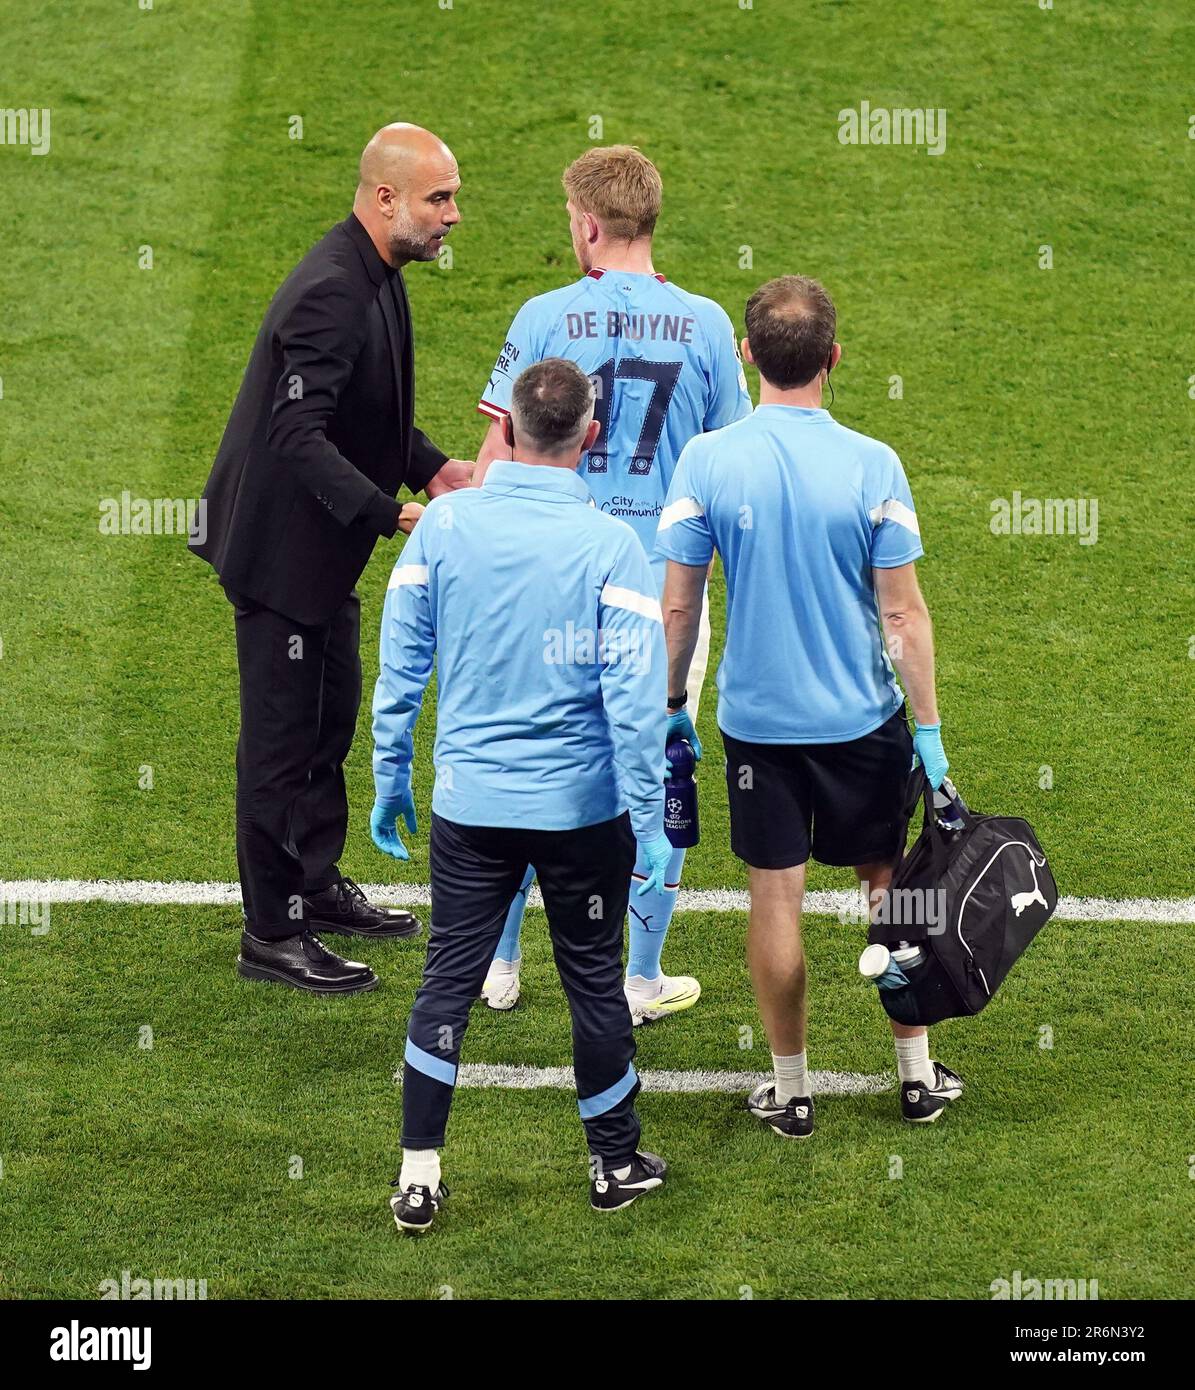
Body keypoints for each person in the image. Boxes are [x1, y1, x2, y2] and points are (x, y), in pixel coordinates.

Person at [656, 275, 964, 1135]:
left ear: (748, 354)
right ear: (833, 358)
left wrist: (672, 700)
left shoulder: (707, 460)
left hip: (758, 729)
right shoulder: (873, 464)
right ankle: (914, 1073)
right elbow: (901, 614)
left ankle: (790, 1090)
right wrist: (929, 734)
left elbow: (678, 605)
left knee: (774, 900)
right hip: (863, 723)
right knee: (889, 891)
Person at [372, 359, 671, 1233]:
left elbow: (401, 670)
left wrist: (392, 773)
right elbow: (633, 701)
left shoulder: (442, 528)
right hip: (582, 816)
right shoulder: (613, 546)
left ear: (503, 426)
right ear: (590, 436)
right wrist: (649, 821)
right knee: (592, 983)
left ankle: (418, 1177)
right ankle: (613, 1164)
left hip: (470, 810)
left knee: (446, 982)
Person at [471, 145, 751, 1024]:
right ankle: (638, 977)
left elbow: (493, 463)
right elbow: (730, 468)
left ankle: (500, 964)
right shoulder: (705, 324)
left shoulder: (545, 315)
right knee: (658, 769)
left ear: (587, 224)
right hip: (664, 588)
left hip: (549, 574)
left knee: (529, 759)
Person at [190, 123, 472, 994]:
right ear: (385, 198)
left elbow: (366, 415)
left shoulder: (375, 273)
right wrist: (394, 514)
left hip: (321, 556)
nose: (452, 216)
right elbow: (297, 432)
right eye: (439, 198)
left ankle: (314, 884)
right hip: (280, 559)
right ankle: (271, 930)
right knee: (279, 745)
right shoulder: (331, 292)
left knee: (329, 717)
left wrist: (437, 467)